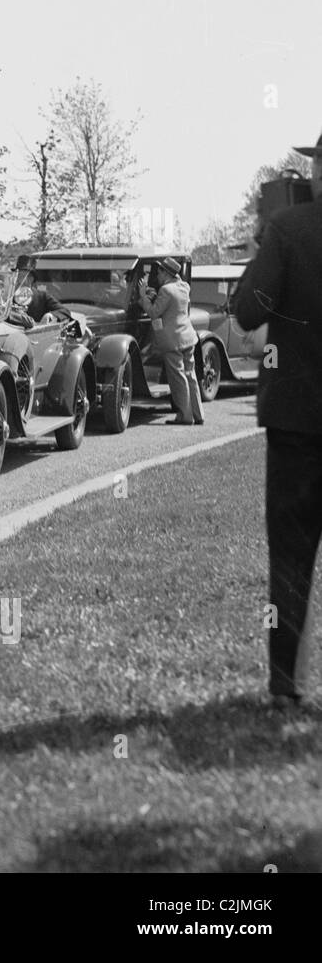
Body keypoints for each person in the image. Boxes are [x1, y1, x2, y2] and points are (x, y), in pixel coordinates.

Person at [233, 127, 322, 711]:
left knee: (290, 555)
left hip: (298, 421)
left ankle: (285, 685)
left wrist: (268, 243)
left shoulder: (290, 230)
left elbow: (245, 312)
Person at [137, 256, 203, 426]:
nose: (157, 275)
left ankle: (185, 416)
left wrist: (143, 296)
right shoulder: (183, 287)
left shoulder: (166, 290)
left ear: (166, 273)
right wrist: (154, 294)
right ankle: (198, 414)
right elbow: (171, 306)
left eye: (159, 272)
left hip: (172, 341)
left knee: (178, 378)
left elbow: (153, 312)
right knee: (190, 375)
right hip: (188, 337)